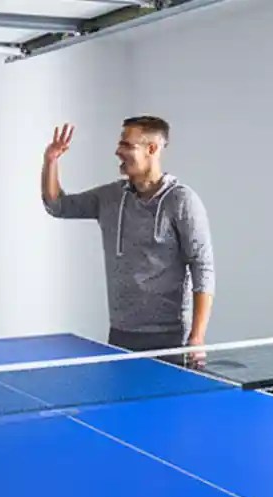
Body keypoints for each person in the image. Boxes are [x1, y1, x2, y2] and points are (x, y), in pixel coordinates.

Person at [41, 116, 214, 358]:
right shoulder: (110, 197)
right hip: (121, 333)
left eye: (127, 145)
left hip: (169, 337)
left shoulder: (182, 201)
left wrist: (197, 337)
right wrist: (51, 160)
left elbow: (202, 267)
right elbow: (57, 206)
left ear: (152, 149)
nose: (118, 152)